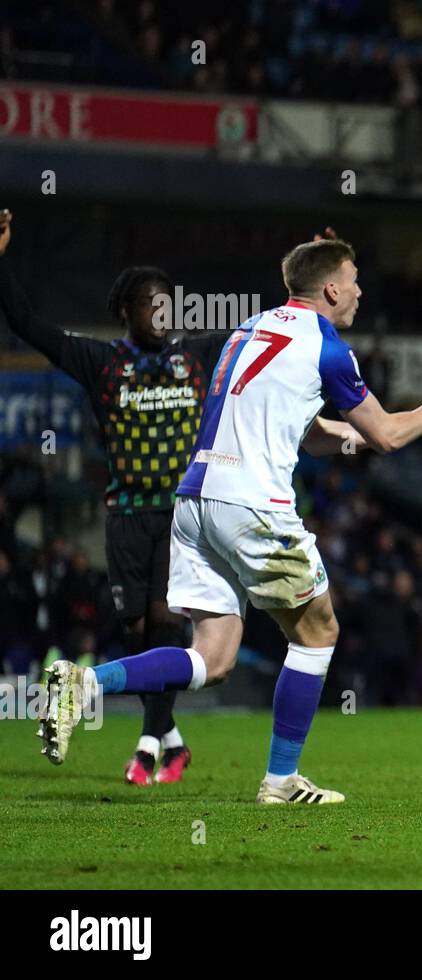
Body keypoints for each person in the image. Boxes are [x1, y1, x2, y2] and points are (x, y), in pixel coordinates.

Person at [37, 236, 422, 804]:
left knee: (213, 658)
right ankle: (280, 781)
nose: (362, 290)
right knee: (319, 631)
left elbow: (314, 434)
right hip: (252, 506)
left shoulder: (250, 329)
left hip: (195, 502)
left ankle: (84, 683)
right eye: (355, 278)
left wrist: (394, 425)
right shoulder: (328, 346)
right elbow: (387, 436)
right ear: (333, 288)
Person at [0, 208, 218, 786]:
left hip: (181, 517)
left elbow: (264, 330)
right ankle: (171, 740)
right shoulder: (101, 362)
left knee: (164, 622)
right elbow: (25, 322)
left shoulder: (195, 357)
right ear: (127, 309)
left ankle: (148, 746)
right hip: (123, 516)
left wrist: (308, 289)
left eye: (168, 303)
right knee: (137, 636)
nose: (162, 313)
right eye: (151, 302)